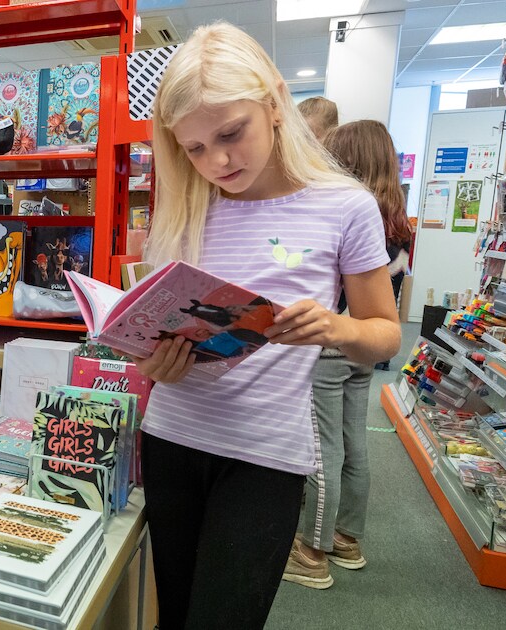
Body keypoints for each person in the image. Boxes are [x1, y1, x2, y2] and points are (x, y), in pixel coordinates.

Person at [135, 23, 400, 628]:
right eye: (194, 148)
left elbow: (384, 334)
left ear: (275, 101)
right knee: (171, 614)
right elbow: (154, 329)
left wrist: (335, 328)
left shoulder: (345, 206)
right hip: (171, 437)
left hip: (265, 457)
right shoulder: (185, 204)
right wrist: (150, 360)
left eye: (231, 133)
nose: (218, 161)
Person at [283, 120, 415, 590]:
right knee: (353, 443)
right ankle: (346, 538)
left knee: (322, 450)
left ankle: (312, 551)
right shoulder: (397, 224)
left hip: (332, 346)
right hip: (365, 349)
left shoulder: (347, 215)